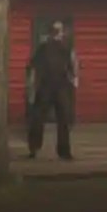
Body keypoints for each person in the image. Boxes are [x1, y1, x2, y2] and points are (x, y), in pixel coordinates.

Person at [26, 21, 76, 160]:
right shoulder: (43, 48)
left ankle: (64, 151)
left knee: (64, 120)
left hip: (61, 87)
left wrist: (74, 81)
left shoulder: (66, 49)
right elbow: (33, 67)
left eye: (60, 30)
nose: (59, 33)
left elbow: (72, 68)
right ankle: (34, 148)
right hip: (46, 87)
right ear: (53, 32)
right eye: (57, 30)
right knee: (38, 118)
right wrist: (31, 87)